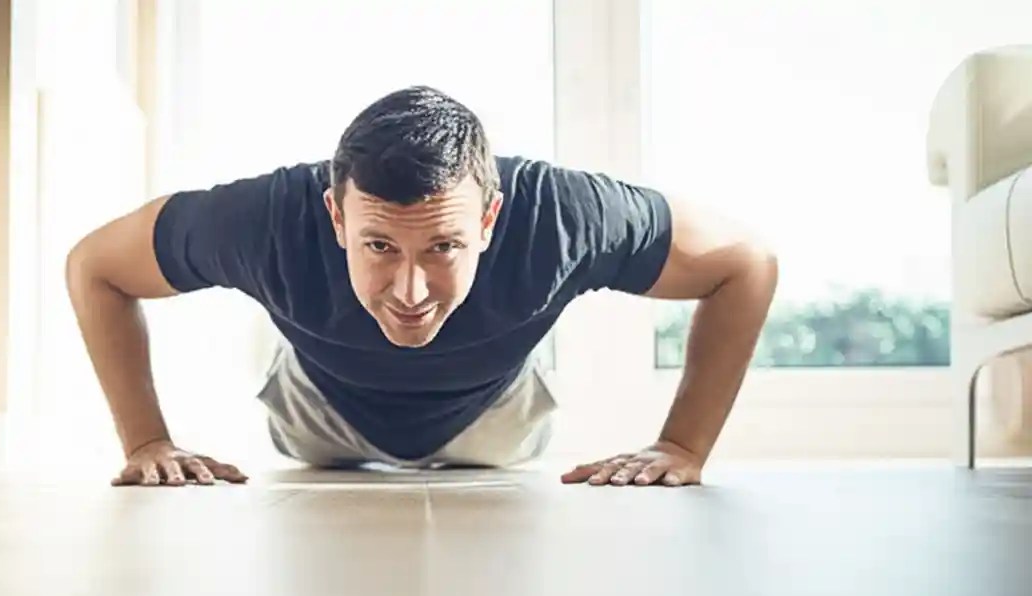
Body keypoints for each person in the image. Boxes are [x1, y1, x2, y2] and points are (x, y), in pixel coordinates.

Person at [66, 86, 778, 488]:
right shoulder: (264, 219)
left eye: (443, 245)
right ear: (335, 214)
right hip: (316, 420)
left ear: (491, 218)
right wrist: (146, 442)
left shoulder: (564, 213)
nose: (410, 289)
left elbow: (744, 264)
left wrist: (682, 446)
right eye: (379, 245)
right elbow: (95, 265)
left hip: (496, 420)